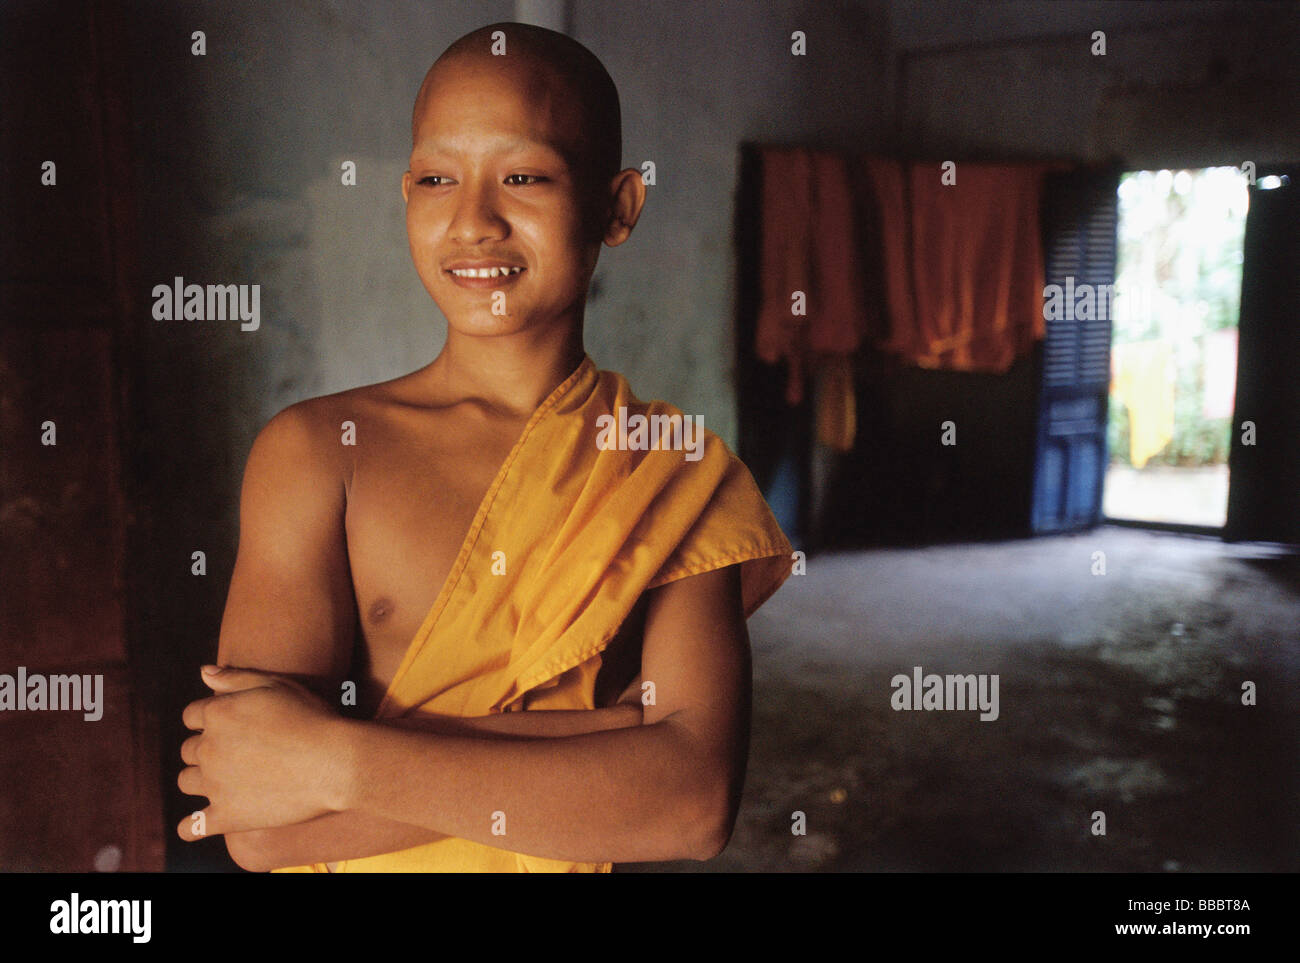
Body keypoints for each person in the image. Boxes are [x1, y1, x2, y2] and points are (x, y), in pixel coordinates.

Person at [176, 21, 791, 872]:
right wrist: (605, 744)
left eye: (524, 175)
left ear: (617, 208)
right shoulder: (319, 454)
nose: (473, 221)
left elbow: (690, 804)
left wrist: (338, 759)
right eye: (436, 178)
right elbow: (260, 824)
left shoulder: (673, 470)